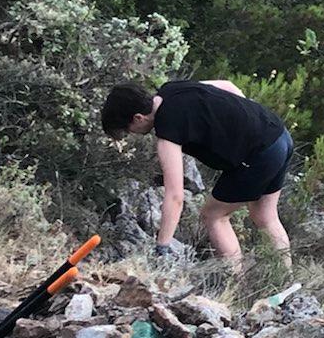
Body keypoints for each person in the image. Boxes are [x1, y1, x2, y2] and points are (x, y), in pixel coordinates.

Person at [100, 78, 294, 270]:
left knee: (213, 215)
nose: (132, 134)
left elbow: (175, 196)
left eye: (128, 130)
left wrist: (162, 246)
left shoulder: (168, 129)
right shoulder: (172, 88)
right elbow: (228, 85)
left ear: (138, 118)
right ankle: (286, 278)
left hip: (260, 154)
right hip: (279, 135)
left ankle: (234, 280)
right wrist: (246, 120)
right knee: (265, 216)